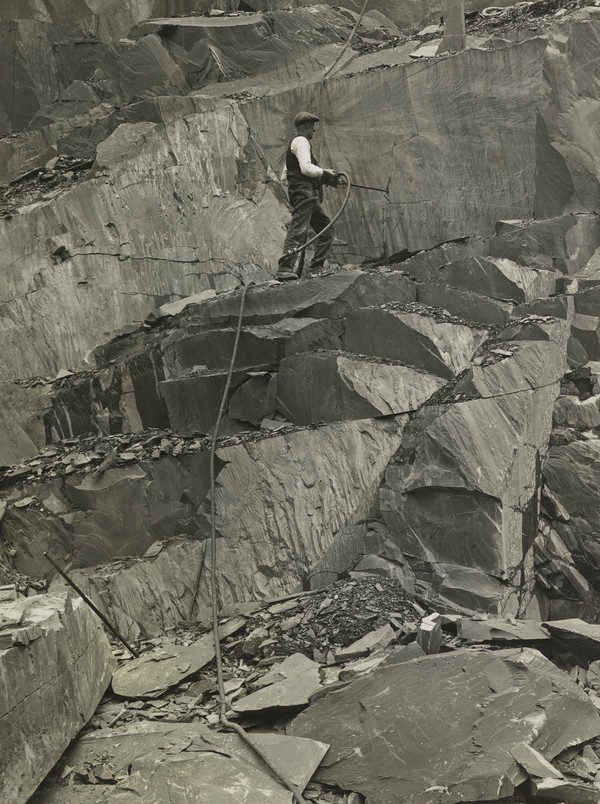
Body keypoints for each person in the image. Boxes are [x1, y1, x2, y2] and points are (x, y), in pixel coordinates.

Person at [276, 111, 339, 281]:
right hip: (305, 195)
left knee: (326, 229)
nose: (314, 131)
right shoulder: (302, 141)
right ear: (305, 126)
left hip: (304, 195)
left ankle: (316, 269)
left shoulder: (294, 144)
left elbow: (285, 178)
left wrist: (321, 178)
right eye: (312, 127)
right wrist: (324, 173)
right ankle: (284, 269)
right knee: (298, 229)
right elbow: (305, 168)